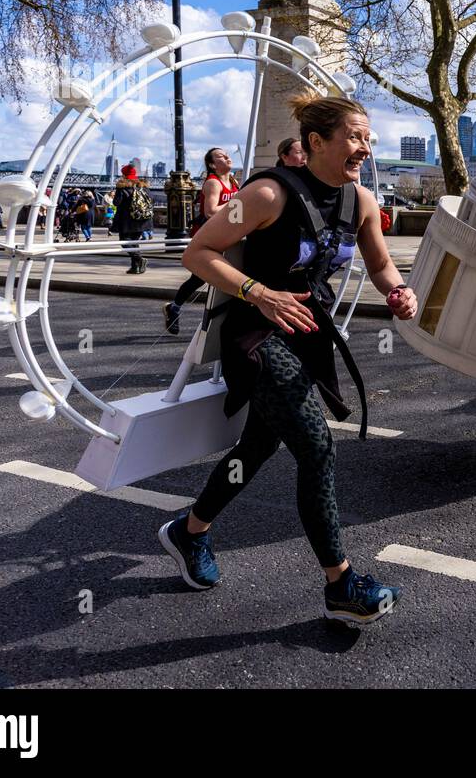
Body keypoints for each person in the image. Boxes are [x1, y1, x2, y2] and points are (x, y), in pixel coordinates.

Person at [160, 93, 417, 626]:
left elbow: (382, 265)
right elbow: (198, 253)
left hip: (306, 335)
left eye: (368, 138)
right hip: (254, 335)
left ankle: (189, 532)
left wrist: (399, 293)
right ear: (316, 143)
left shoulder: (361, 201)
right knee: (317, 447)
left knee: (257, 446)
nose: (364, 148)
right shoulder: (267, 194)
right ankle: (340, 583)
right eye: (355, 137)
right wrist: (260, 292)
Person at [163, 148, 240, 335]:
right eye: (221, 156)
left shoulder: (233, 181)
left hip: (228, 234)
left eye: (227, 154)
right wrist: (236, 202)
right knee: (205, 277)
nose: (227, 157)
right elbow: (211, 211)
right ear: (213, 164)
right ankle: (213, 325)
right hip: (209, 236)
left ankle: (175, 307)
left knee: (207, 278)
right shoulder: (213, 183)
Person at [112, 164, 152, 273]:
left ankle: (139, 258)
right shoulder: (143, 186)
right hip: (141, 219)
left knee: (125, 241)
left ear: (124, 175)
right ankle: (135, 267)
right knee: (134, 242)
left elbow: (116, 202)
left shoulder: (123, 187)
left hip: (127, 220)